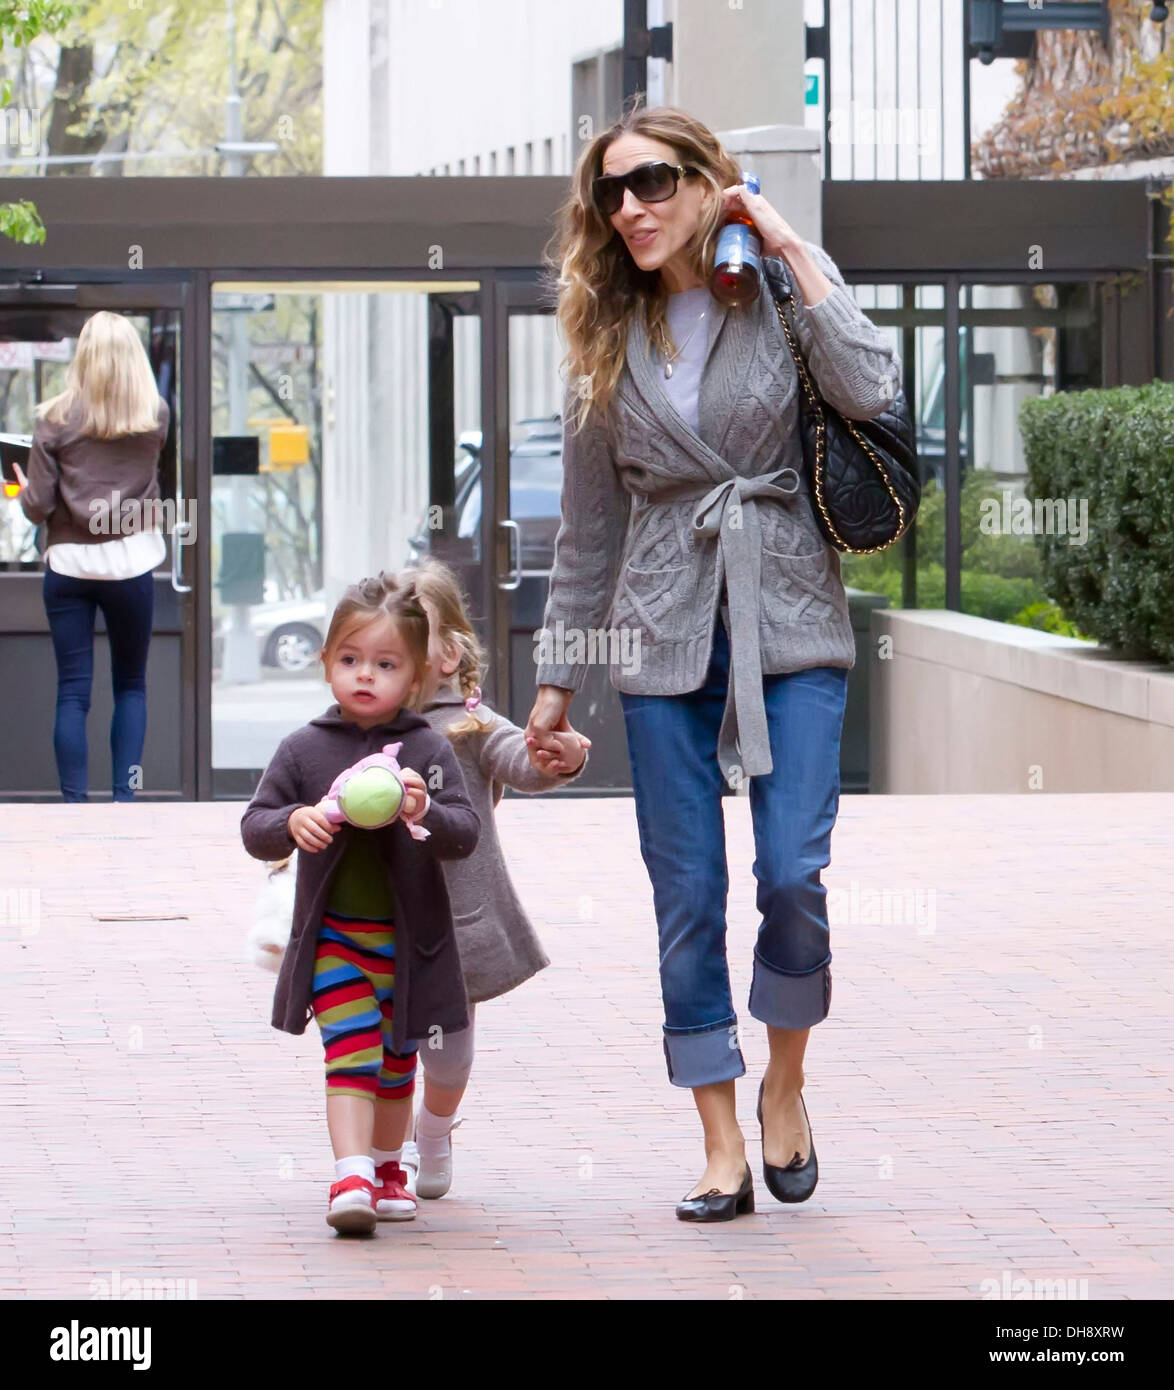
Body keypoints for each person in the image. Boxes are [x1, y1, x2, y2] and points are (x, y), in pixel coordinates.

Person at [523, 104, 902, 1221]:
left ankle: (785, 1082)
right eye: (610, 194)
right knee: (685, 896)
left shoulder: (783, 289)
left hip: (788, 617)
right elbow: (587, 535)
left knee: (791, 873)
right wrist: (555, 683)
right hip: (659, 628)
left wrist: (783, 240)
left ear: (706, 181)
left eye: (650, 182)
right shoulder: (605, 335)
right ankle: (721, 1140)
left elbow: (873, 387)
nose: (629, 208)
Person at [240, 571, 481, 1235]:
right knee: (353, 1050)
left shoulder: (429, 750)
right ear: (325, 665)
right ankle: (351, 1173)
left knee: (398, 1058)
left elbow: (465, 833)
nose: (365, 675)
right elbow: (253, 825)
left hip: (410, 945)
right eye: (350, 661)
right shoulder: (304, 748)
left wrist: (424, 806)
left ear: (416, 677)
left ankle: (386, 1164)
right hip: (334, 941)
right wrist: (293, 821)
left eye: (385, 664)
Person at [391, 557, 589, 1199]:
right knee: (380, 1048)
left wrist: (561, 754)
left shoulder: (471, 727)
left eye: (405, 651)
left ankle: (435, 1128)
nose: (386, 666)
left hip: (455, 927)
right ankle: (376, 1159)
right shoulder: (363, 724)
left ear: (449, 655)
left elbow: (523, 762)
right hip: (377, 919)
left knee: (448, 1058)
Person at [14, 311, 170, 802]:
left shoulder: (53, 420)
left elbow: (37, 507)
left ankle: (74, 805)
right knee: (131, 686)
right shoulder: (155, 417)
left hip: (69, 567)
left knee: (73, 692)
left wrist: (22, 487)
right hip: (131, 563)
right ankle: (124, 800)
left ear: (82, 357)